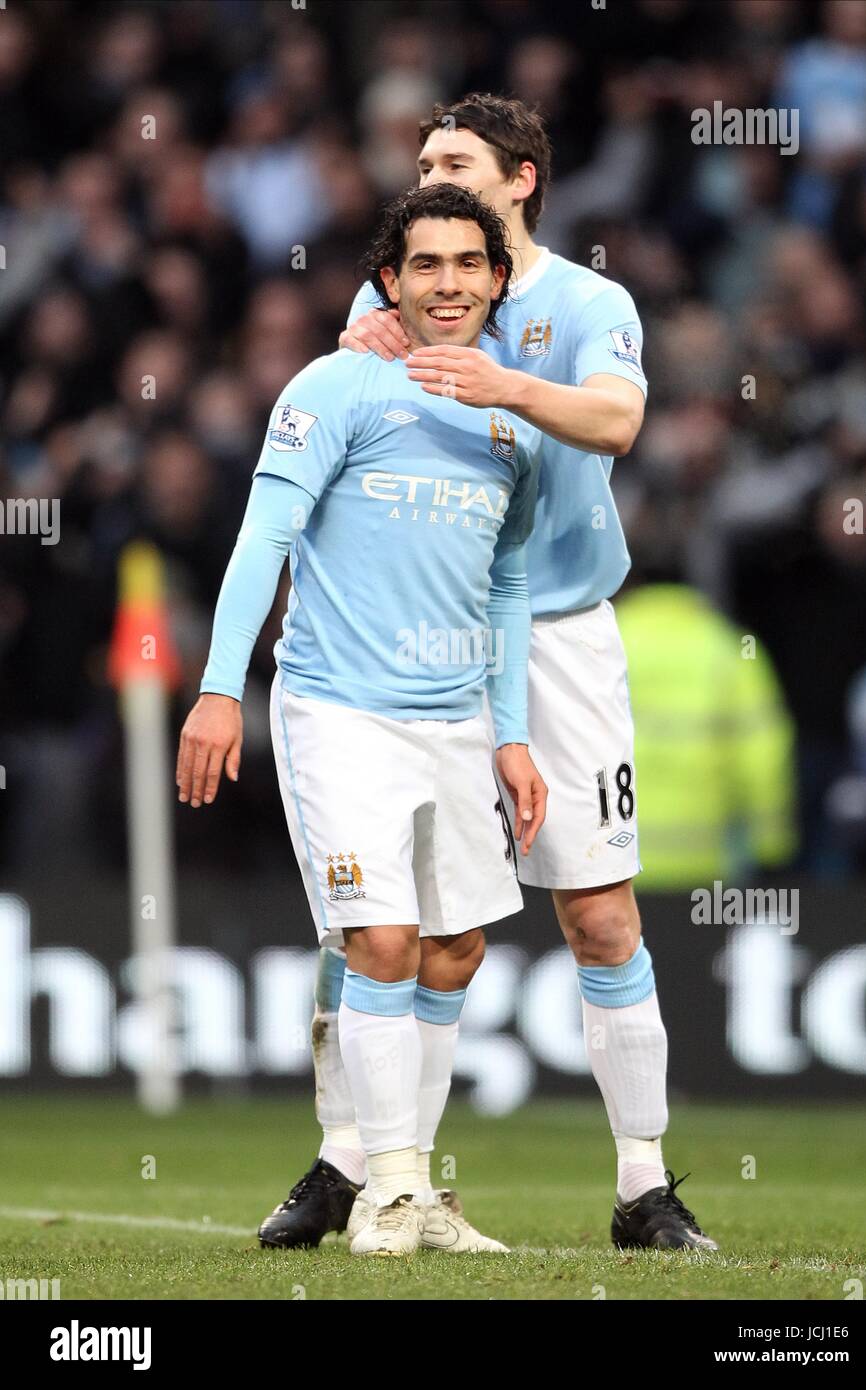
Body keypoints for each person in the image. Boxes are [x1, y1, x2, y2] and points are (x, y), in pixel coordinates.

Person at [290, 93, 717, 1253]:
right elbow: (340, 424)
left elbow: (616, 423)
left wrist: (506, 386)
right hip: (418, 635)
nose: (429, 172)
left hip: (559, 628)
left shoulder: (587, 303)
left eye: (455, 159)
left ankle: (641, 1187)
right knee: (393, 926)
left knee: (599, 913)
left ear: (520, 179)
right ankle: (359, 1168)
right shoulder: (388, 292)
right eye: (423, 158)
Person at [176, 182, 547, 1256]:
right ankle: (385, 1191)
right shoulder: (333, 386)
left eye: (467, 263)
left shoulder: (513, 421)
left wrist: (511, 733)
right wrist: (219, 687)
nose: (447, 283)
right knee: (381, 941)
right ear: (390, 280)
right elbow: (263, 538)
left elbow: (507, 584)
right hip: (340, 711)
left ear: (496, 278)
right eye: (424, 264)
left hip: (458, 719)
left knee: (454, 949)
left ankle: (412, 1187)